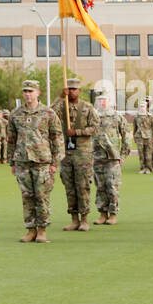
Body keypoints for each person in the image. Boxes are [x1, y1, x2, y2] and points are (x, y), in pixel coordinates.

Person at [8, 80, 63, 243]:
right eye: (25, 91)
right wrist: (12, 161)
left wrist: (55, 163)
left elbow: (57, 138)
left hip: (42, 161)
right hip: (22, 160)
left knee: (42, 196)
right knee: (27, 197)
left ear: (38, 93)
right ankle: (30, 229)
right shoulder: (15, 114)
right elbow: (11, 139)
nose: (27, 94)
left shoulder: (48, 113)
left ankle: (42, 230)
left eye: (31, 91)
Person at [51, 77, 99, 231]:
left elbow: (95, 128)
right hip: (66, 152)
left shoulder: (87, 107)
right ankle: (74, 219)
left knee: (82, 186)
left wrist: (77, 132)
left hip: (82, 153)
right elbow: (49, 115)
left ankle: (84, 219)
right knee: (69, 186)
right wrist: (60, 97)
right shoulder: (62, 106)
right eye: (69, 89)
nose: (71, 91)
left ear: (79, 90)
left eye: (74, 89)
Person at [92, 93, 127, 225]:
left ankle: (113, 214)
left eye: (104, 100)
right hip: (97, 156)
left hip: (112, 157)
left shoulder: (116, 116)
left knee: (112, 186)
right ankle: (102, 213)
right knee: (100, 186)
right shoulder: (93, 116)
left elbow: (126, 135)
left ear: (109, 101)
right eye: (100, 100)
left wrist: (123, 155)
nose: (102, 102)